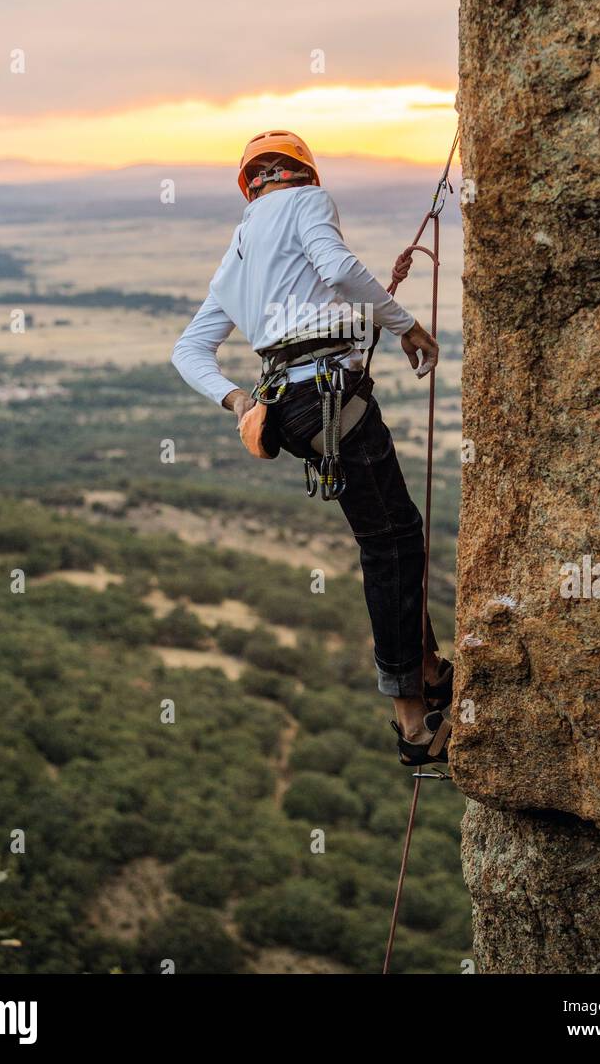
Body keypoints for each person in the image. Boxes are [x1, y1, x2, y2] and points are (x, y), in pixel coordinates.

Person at [172, 131, 452, 765]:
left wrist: (241, 403)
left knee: (391, 535)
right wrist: (406, 326)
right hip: (326, 394)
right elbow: (339, 268)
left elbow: (188, 351)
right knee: (392, 544)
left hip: (291, 408)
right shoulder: (306, 202)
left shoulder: (236, 254)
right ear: (302, 173)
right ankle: (413, 720)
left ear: (250, 183)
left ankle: (430, 671)